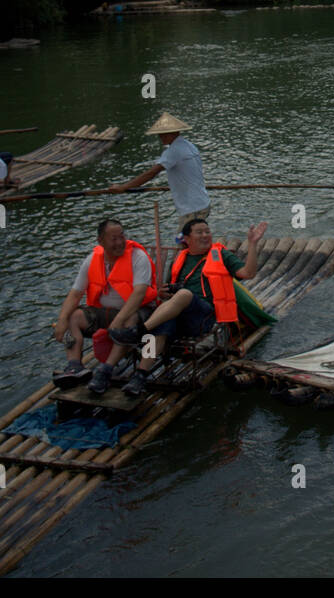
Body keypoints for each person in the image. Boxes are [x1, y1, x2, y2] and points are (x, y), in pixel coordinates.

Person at [100, 218, 272, 396]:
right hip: (178, 314)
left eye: (207, 231)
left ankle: (139, 331)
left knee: (183, 295)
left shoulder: (221, 255)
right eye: (199, 232)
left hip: (203, 318)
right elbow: (168, 288)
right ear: (187, 238)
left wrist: (253, 244)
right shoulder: (181, 258)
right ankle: (138, 375)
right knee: (159, 330)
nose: (205, 235)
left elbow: (248, 273)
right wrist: (163, 293)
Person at [52, 219, 157, 387]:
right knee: (73, 316)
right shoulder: (93, 259)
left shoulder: (138, 257)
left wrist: (116, 323)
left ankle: (105, 370)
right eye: (113, 239)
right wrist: (62, 320)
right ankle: (74, 366)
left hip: (136, 312)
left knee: (127, 321)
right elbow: (75, 293)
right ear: (100, 241)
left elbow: (138, 295)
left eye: (121, 236)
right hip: (104, 312)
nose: (119, 242)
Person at [110, 113, 209, 237]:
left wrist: (123, 187)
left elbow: (151, 173)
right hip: (201, 202)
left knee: (185, 242)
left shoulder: (173, 151)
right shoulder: (189, 146)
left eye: (162, 134)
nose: (160, 137)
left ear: (171, 133)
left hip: (193, 207)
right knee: (192, 241)